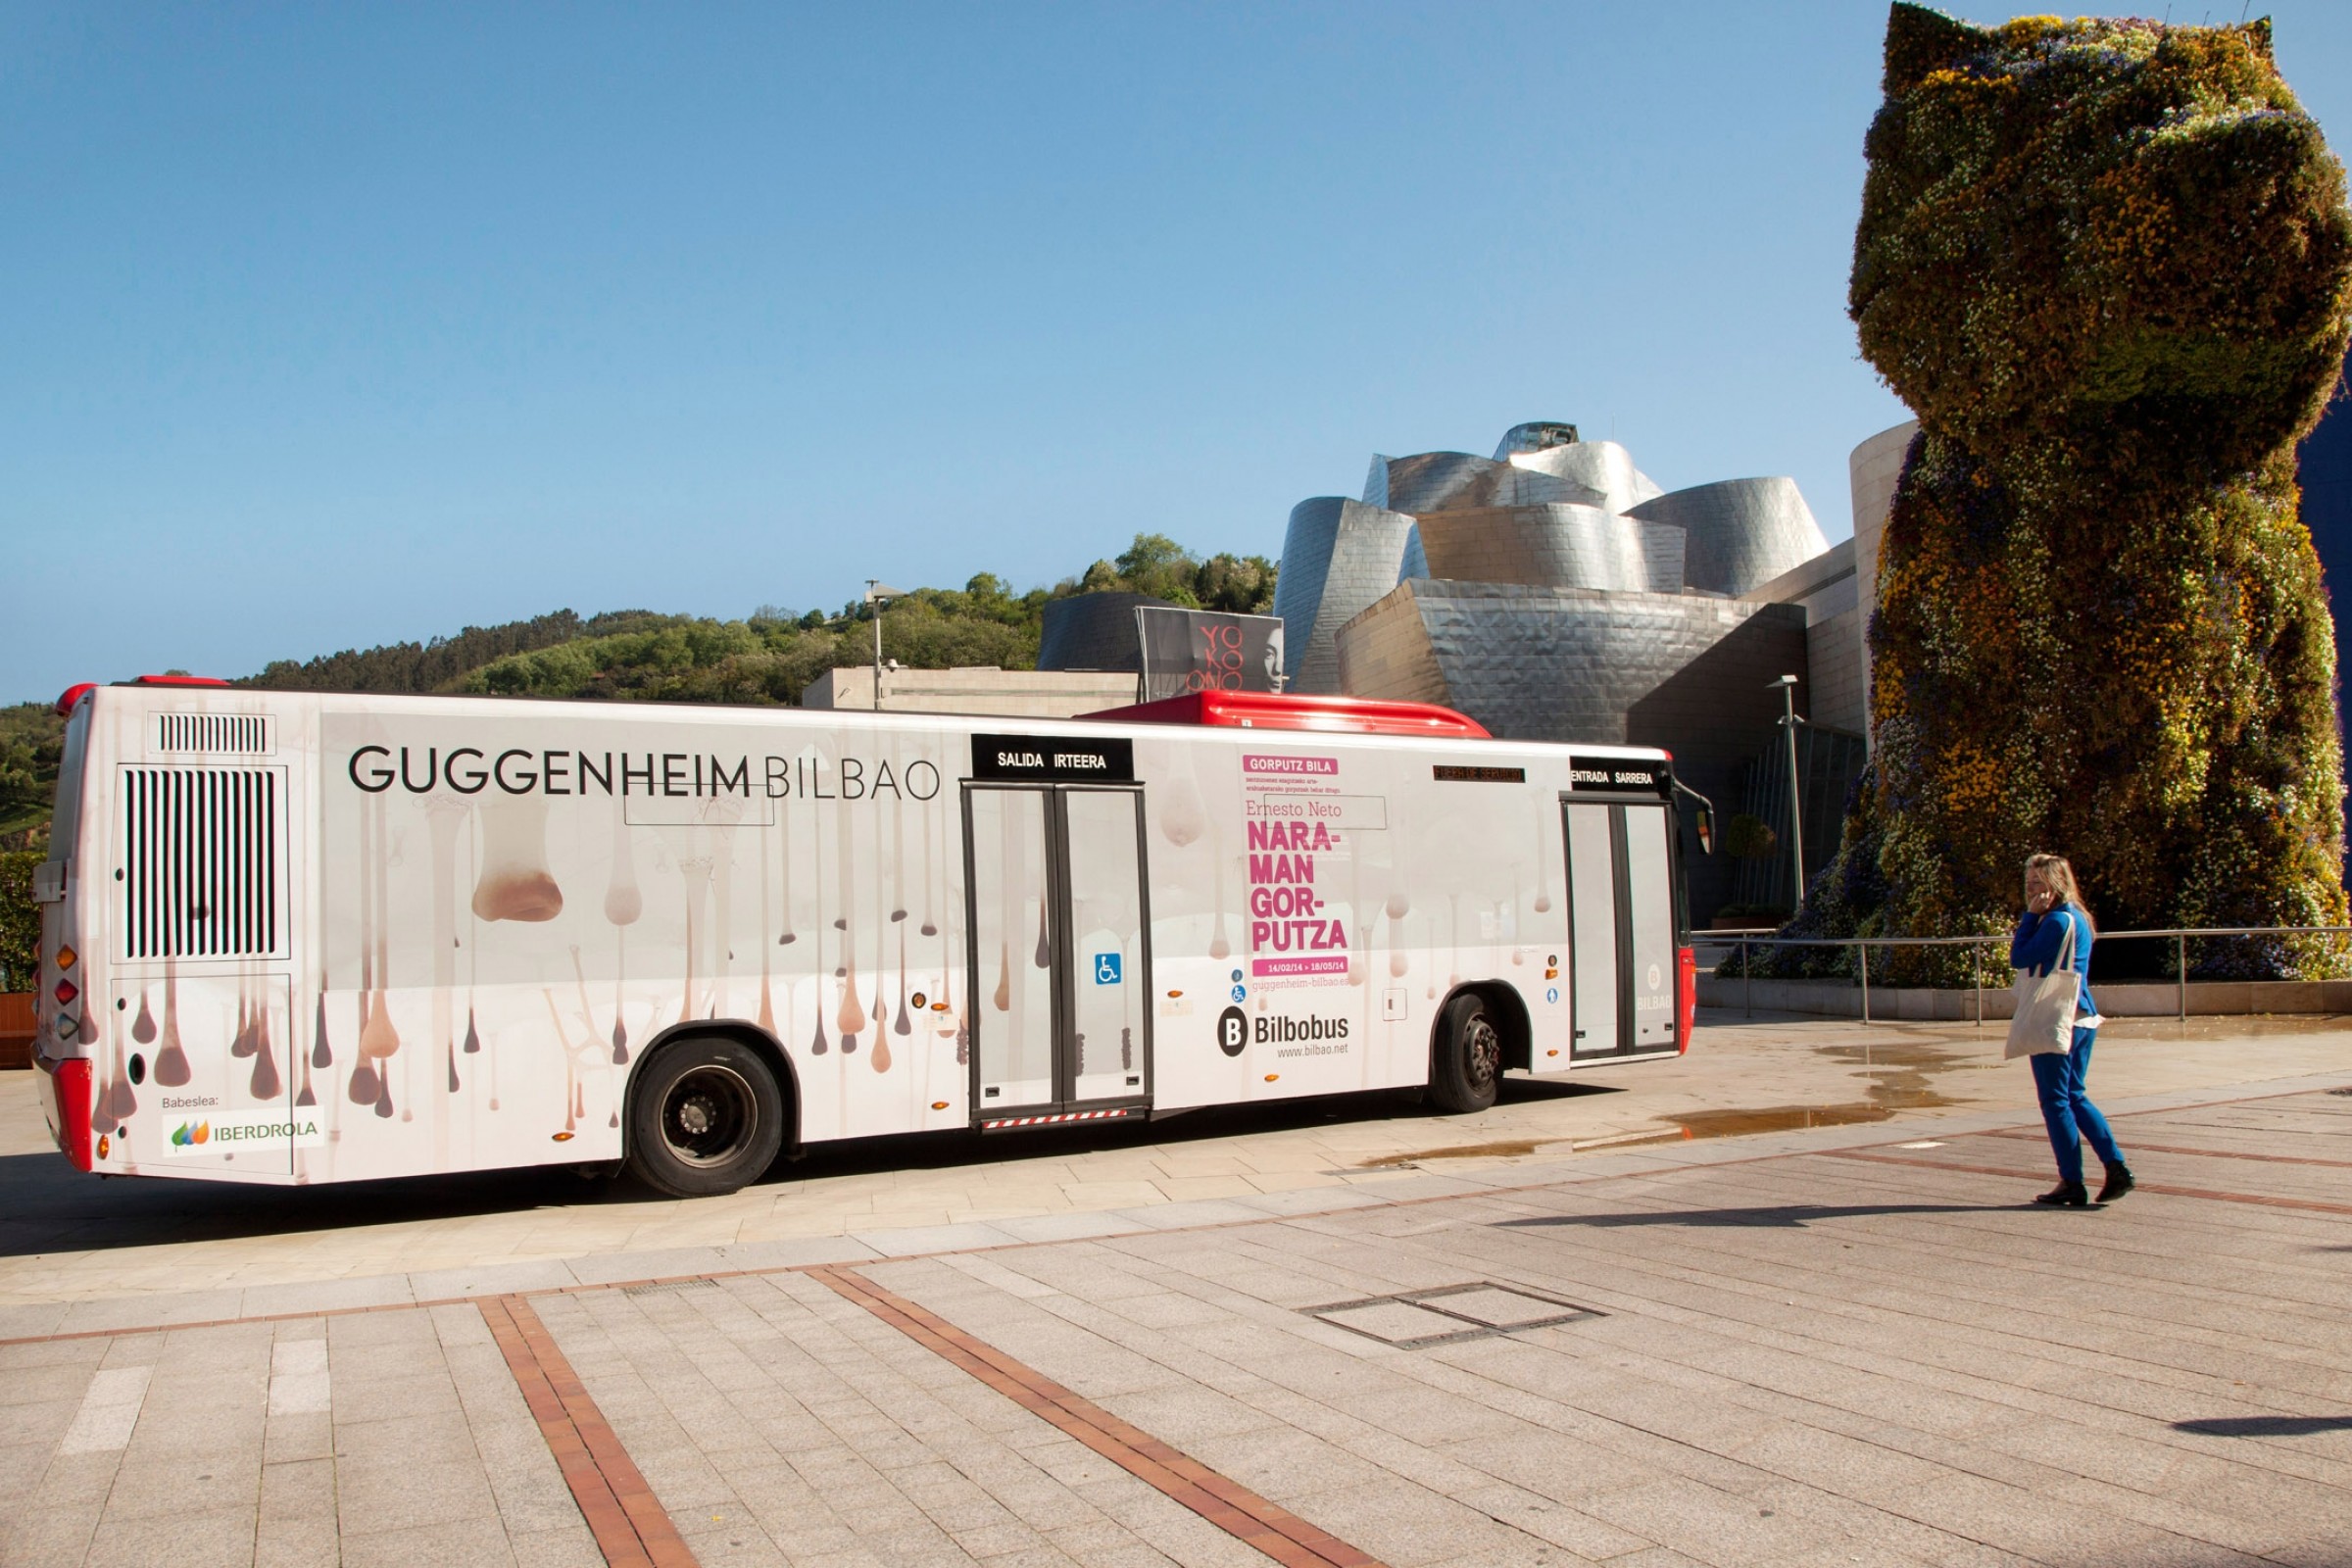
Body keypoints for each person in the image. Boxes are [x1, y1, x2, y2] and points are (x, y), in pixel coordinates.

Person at [2010, 854, 2133, 1206]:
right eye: (2029, 882)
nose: (2031, 889)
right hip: (2082, 1014)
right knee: (2075, 1094)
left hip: (2056, 1016)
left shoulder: (2053, 921)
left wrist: (2030, 916)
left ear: (2056, 884)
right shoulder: (2079, 917)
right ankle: (2115, 1167)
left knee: (2055, 1100)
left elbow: (2019, 957)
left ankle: (2072, 1181)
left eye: (2038, 882)